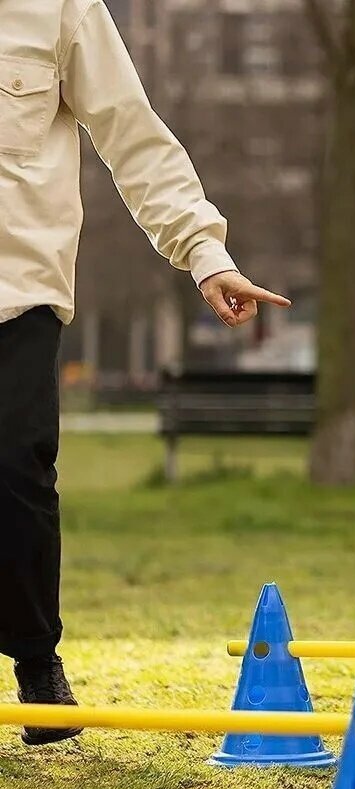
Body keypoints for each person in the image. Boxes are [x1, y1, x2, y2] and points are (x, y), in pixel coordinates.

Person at [1, 1, 291, 745]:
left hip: (16, 291)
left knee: (18, 466)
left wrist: (204, 253)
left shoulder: (59, 9)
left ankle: (36, 658)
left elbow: (132, 134)